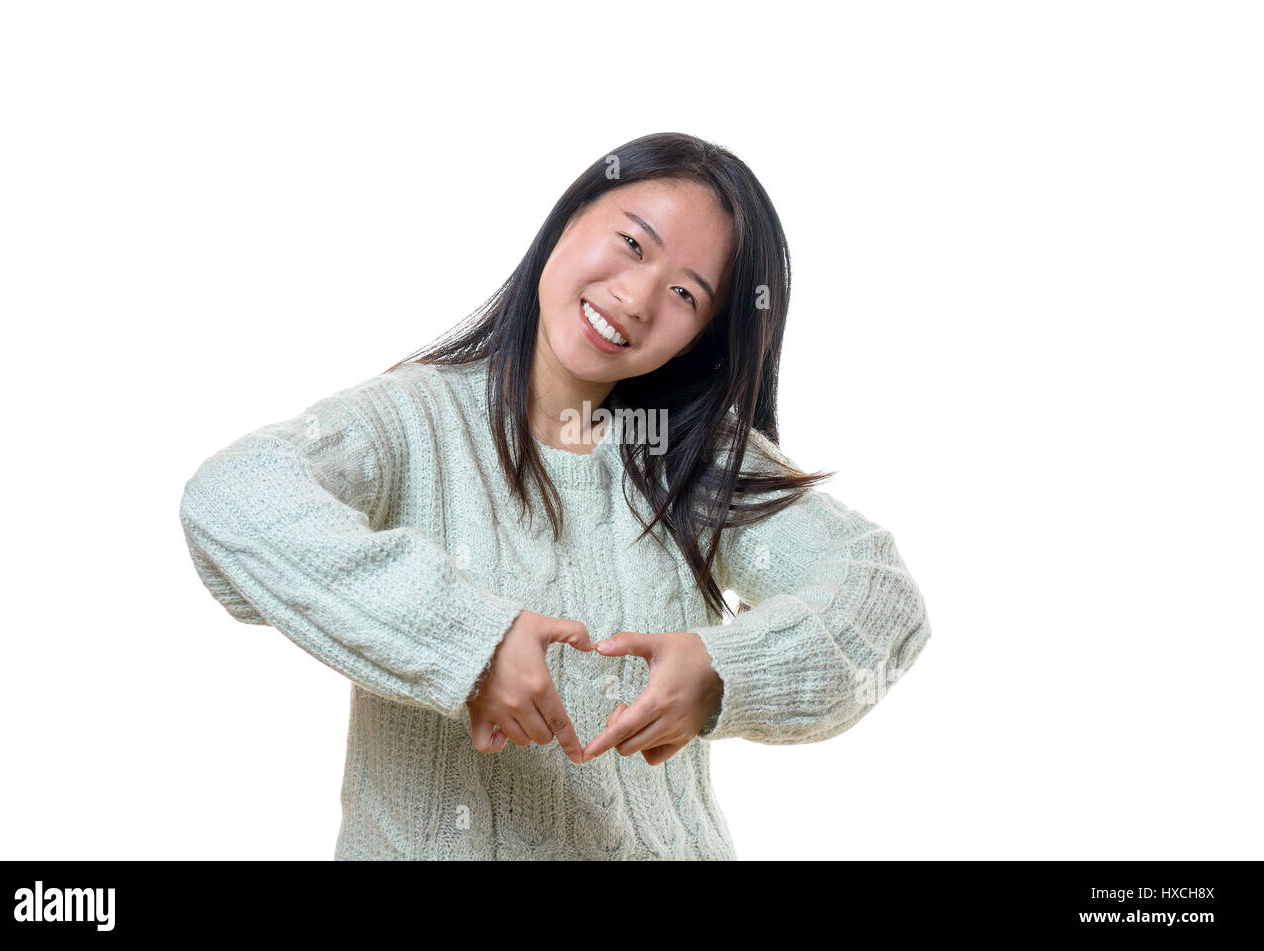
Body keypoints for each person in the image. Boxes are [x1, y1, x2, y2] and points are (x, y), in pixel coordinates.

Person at [178, 131, 932, 860]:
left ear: (700, 337)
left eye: (685, 294)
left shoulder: (696, 464)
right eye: (632, 243)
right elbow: (232, 497)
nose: (636, 298)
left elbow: (883, 599)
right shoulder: (415, 423)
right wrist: (470, 642)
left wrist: (722, 669)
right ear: (570, 216)